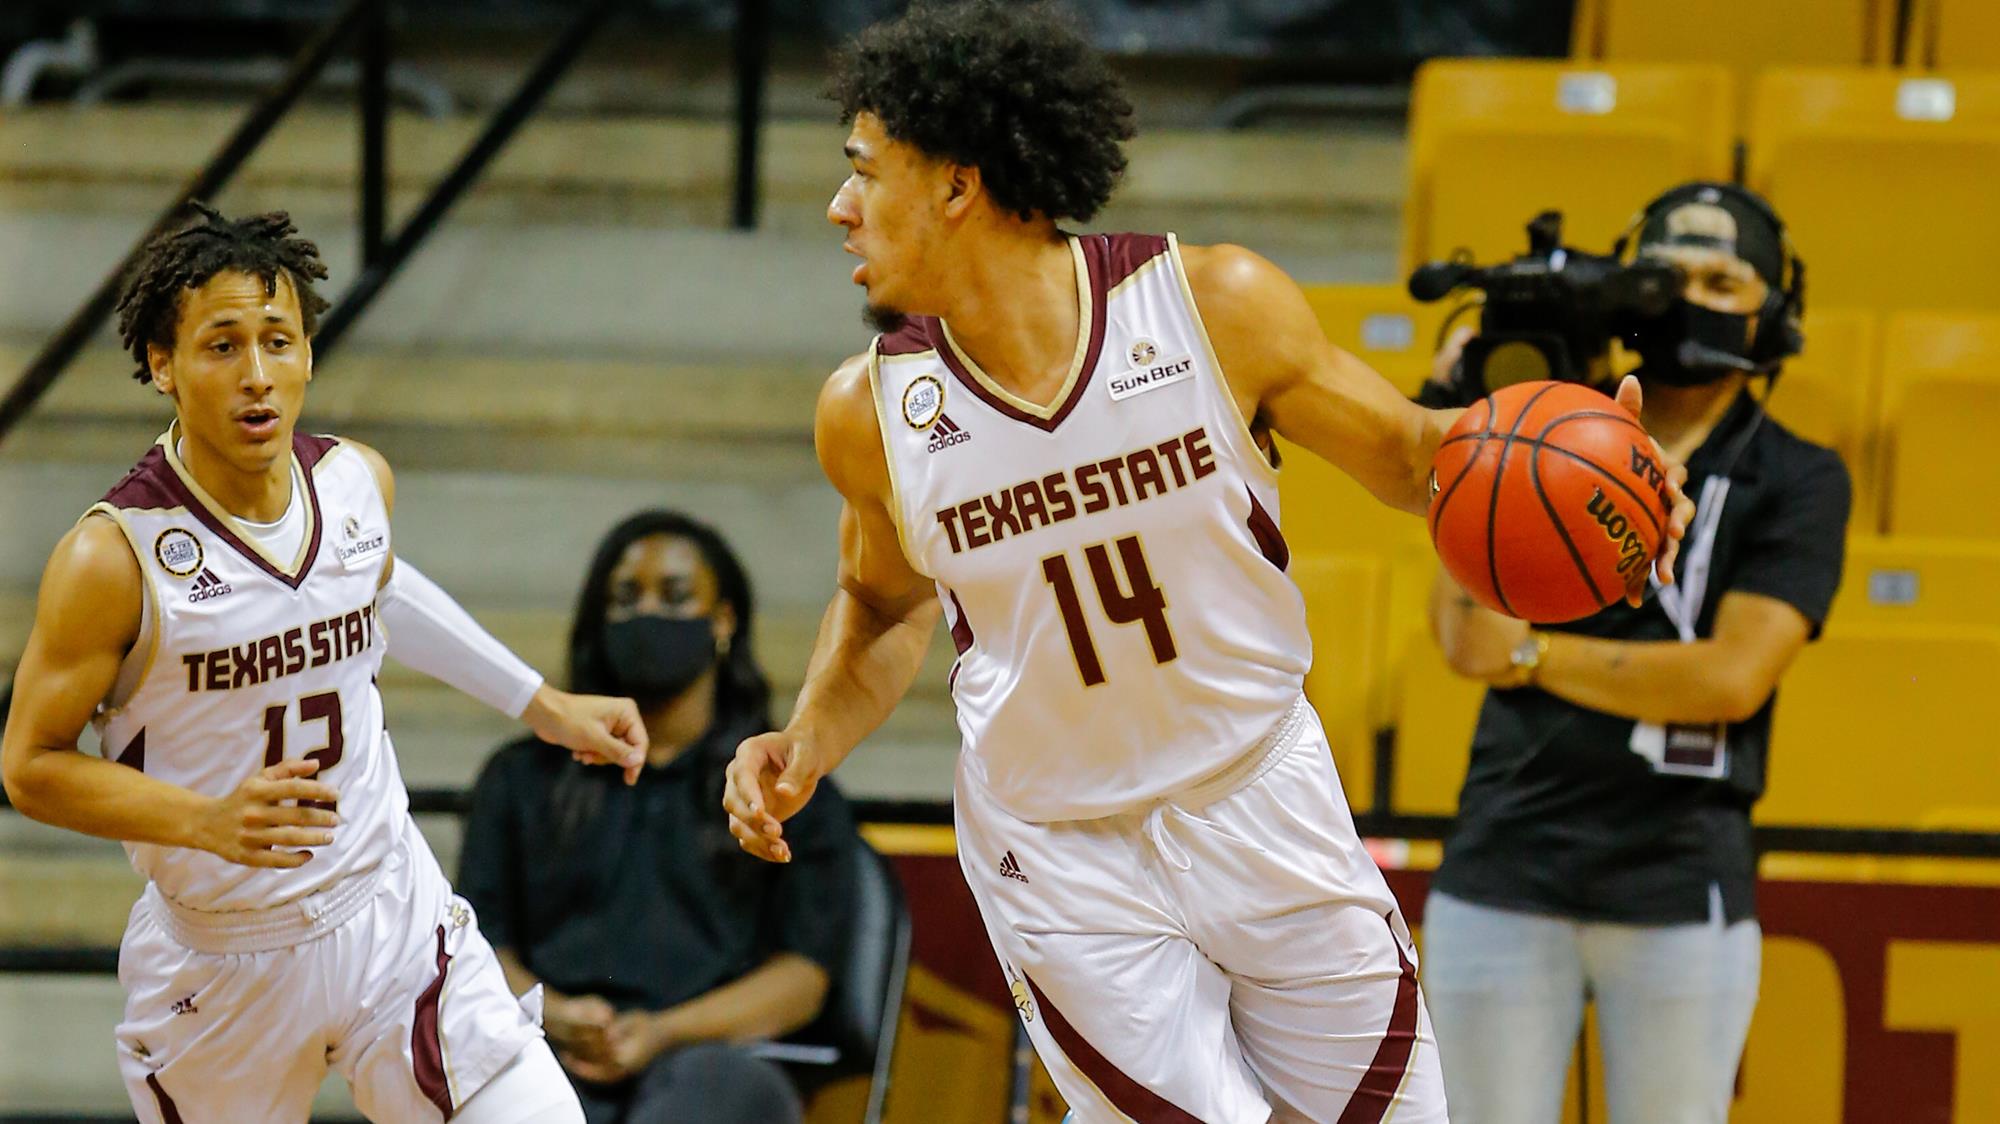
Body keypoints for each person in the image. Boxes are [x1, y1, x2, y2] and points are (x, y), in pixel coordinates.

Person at [721, 5, 1694, 1122]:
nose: (839, 206)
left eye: (863, 171)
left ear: (957, 185)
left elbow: (1418, 457)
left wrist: (1608, 473)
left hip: (1260, 792)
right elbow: (881, 605)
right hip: (1060, 849)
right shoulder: (870, 412)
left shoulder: (1211, 306)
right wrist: (806, 737)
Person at [0, 203, 648, 1124]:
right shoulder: (113, 558)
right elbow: (29, 767)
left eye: (279, 341)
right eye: (222, 346)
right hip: (222, 959)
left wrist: (542, 702)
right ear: (162, 364)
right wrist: (204, 820)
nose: (257, 374)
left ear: (308, 353)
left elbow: (376, 588)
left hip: (388, 909)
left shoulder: (355, 482)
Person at [1419, 182, 1852, 1124]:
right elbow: (1466, 640)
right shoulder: (1541, 424)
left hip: (1679, 881)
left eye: (1721, 280)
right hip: (1503, 865)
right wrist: (1470, 429)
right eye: (1666, 275)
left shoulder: (1801, 476)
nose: (1689, 297)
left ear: (1774, 312)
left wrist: (1534, 657)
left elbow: (1730, 679)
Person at [460, 510, 859, 1124]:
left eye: (674, 597)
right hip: (547, 1047)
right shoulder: (519, 778)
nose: (647, 614)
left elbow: (802, 980)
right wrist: (552, 1012)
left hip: (712, 1060)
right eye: (625, 599)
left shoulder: (781, 788)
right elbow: (476, 944)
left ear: (723, 620)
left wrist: (662, 1031)